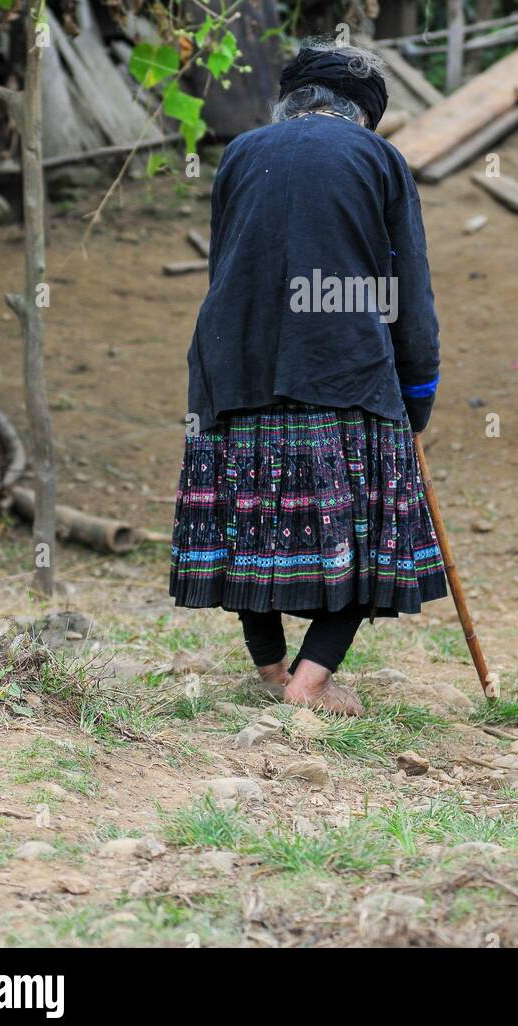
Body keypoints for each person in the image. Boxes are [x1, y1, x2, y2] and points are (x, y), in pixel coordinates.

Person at [169, 37, 445, 715]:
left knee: (244, 529)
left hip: (233, 365)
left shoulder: (239, 153)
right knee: (362, 533)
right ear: (360, 112)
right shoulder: (378, 158)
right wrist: (416, 388)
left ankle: (273, 672)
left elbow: (226, 268)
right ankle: (310, 679)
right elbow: (406, 284)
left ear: (291, 99)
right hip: (342, 366)